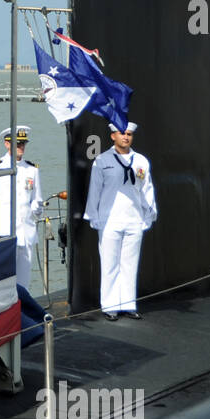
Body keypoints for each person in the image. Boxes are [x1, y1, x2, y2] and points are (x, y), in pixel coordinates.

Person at [83, 120, 157, 320]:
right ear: (112, 136)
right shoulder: (102, 161)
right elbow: (95, 191)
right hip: (110, 220)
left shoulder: (141, 161)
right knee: (110, 264)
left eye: (129, 134)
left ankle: (128, 303)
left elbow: (146, 190)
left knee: (130, 263)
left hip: (134, 218)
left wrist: (149, 214)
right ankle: (110, 305)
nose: (126, 137)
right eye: (122, 133)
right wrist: (93, 216)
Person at [0, 126, 44, 290]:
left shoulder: (31, 170)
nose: (21, 147)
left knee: (23, 281)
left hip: (26, 231)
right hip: (4, 232)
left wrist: (34, 212)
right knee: (4, 280)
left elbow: (37, 199)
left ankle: (22, 311)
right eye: (18, 143)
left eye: (23, 143)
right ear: (7, 144)